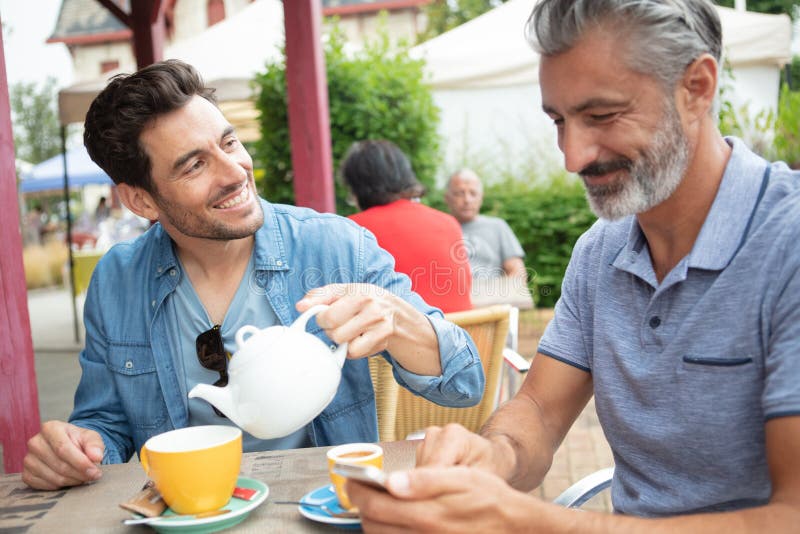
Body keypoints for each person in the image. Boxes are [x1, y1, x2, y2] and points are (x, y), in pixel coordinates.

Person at [346, 1, 800, 531]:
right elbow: (539, 410)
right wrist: (492, 457)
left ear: (696, 88)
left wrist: (530, 521)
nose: (572, 156)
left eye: (602, 116)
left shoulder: (787, 242)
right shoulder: (601, 250)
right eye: (558, 120)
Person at [21, 60, 485, 491]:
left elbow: (466, 382)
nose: (235, 172)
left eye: (229, 143)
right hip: (186, 514)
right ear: (141, 200)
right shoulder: (117, 280)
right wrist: (77, 448)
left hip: (321, 507)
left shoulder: (336, 246)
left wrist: (398, 320)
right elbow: (105, 423)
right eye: (194, 165)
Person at [342, 139, 472, 313]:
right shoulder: (449, 222)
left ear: (357, 189)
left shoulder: (351, 229)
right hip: (461, 329)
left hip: (402, 329)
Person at [445, 168, 526, 280]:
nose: (467, 200)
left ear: (481, 197)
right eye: (459, 193)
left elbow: (518, 273)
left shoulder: (498, 227)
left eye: (473, 193)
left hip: (492, 290)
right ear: (447, 198)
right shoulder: (437, 229)